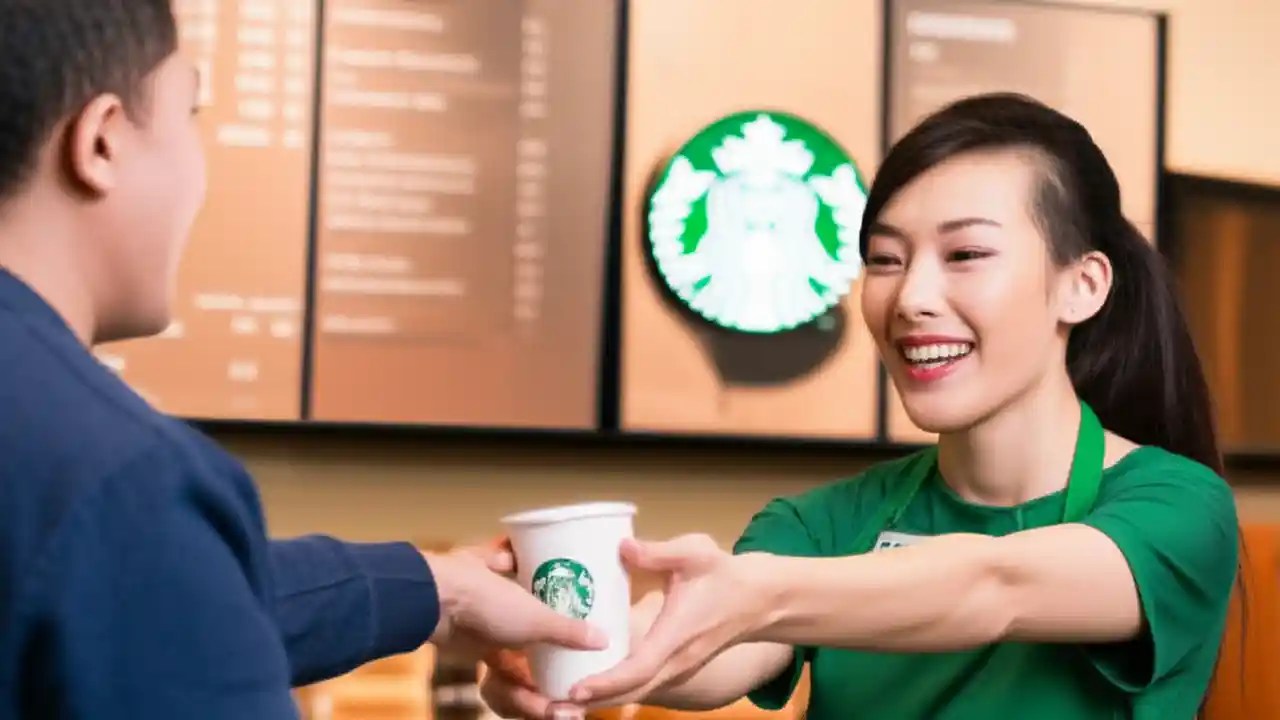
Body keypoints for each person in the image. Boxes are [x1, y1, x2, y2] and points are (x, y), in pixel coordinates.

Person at [480, 93, 1241, 719]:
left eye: (966, 254)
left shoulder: (1174, 507)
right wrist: (577, 651)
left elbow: (997, 588)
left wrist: (762, 595)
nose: (910, 298)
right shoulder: (824, 525)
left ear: (1085, 284)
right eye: (885, 259)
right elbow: (720, 651)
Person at [0, 2, 606, 717]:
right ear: (101, 142)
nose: (199, 175)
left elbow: (139, 594)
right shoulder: (126, 479)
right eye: (190, 116)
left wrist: (436, 589)